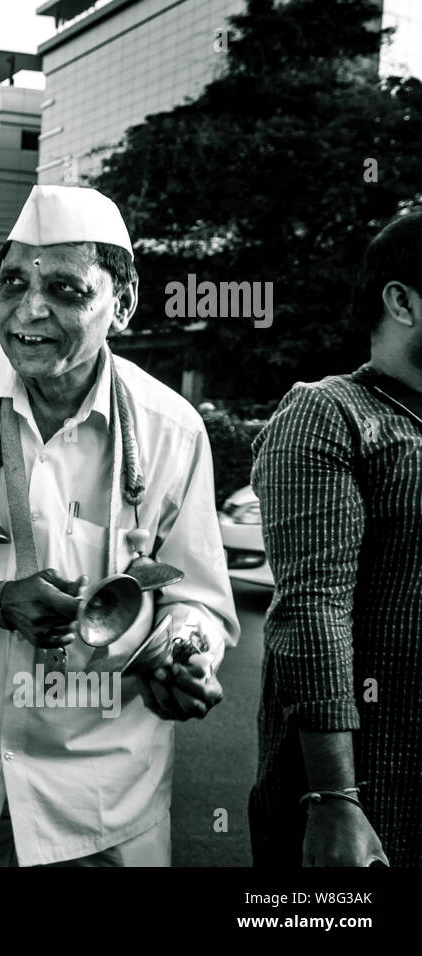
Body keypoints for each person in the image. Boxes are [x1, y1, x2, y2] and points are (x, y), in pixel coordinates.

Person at [0, 185, 238, 866]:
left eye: (64, 288)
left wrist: (185, 649)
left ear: (124, 302)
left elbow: (198, 599)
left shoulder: (172, 429)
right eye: (13, 284)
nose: (30, 309)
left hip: (104, 808)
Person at [249, 211, 422, 867]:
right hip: (366, 810)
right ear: (401, 301)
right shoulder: (332, 412)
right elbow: (312, 609)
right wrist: (334, 799)